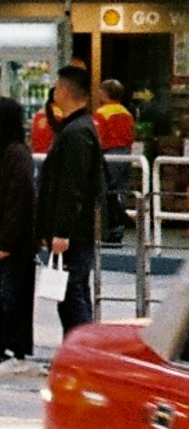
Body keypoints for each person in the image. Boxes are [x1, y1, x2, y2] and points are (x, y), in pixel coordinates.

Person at [35, 67, 106, 339]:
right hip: (76, 228)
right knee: (74, 290)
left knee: (72, 292)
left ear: (63, 90)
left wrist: (62, 230)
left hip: (74, 231)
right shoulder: (77, 126)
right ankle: (80, 348)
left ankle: (81, 351)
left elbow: (72, 186)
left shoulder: (77, 132)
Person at [0, 100, 37, 360]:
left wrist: (5, 243)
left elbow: (19, 200)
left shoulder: (16, 154)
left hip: (13, 244)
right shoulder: (8, 152)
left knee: (8, 299)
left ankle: (11, 346)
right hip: (9, 240)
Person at [95, 77, 136, 243]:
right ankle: (119, 228)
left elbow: (98, 137)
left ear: (105, 94)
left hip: (109, 155)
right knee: (121, 191)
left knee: (107, 193)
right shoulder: (126, 113)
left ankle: (109, 228)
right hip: (125, 154)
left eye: (100, 90)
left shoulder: (101, 113)